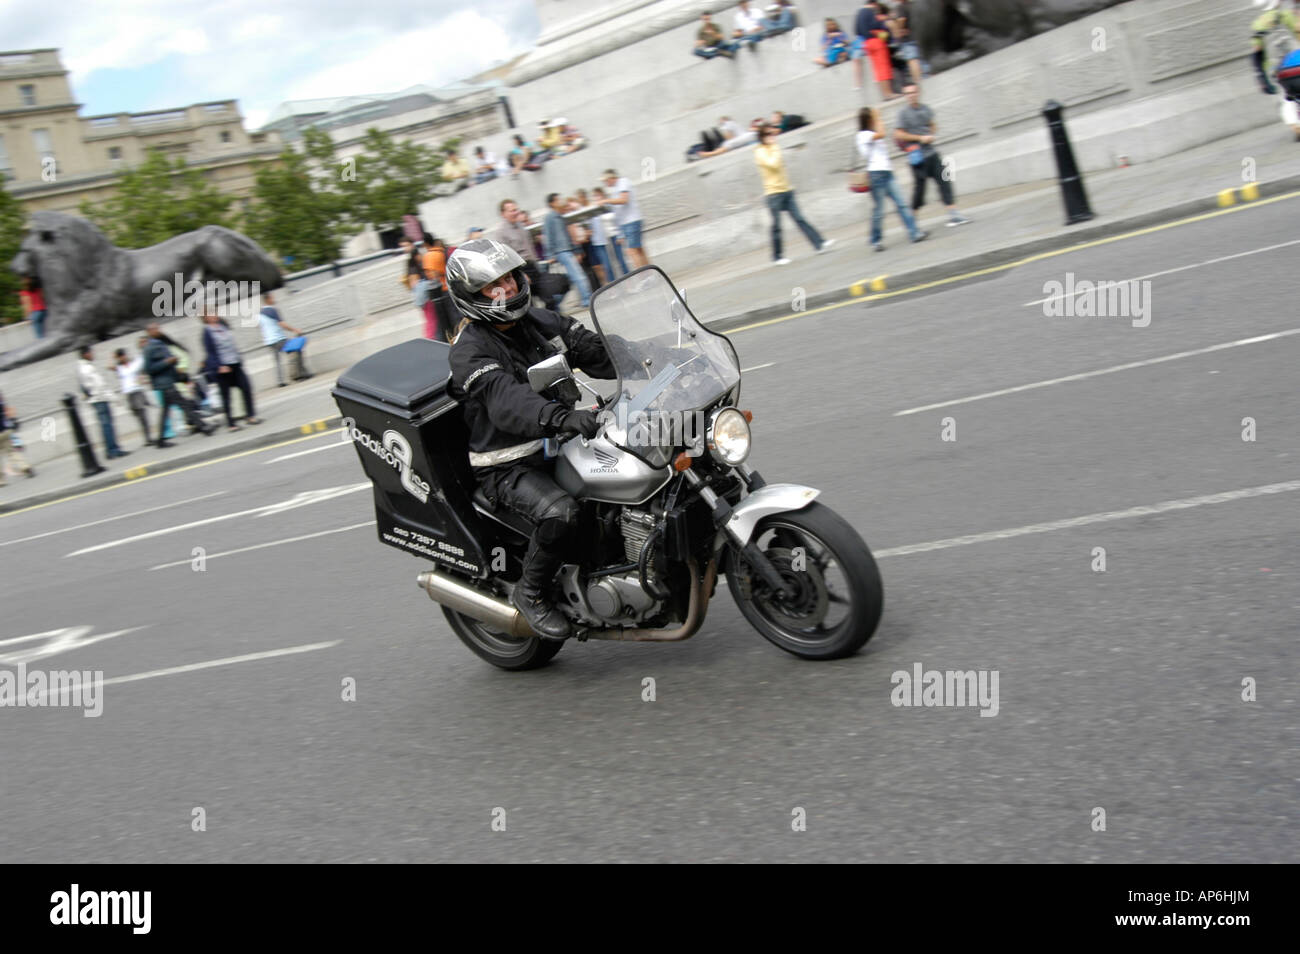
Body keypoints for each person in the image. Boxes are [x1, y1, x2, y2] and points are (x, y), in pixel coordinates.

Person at [445, 238, 617, 639]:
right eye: (493, 285)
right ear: (471, 296)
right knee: (562, 513)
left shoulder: (539, 322)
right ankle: (531, 592)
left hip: (559, 442)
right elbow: (508, 400)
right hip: (508, 464)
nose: (507, 288)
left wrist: (652, 355)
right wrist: (561, 417)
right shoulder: (469, 352)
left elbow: (591, 348)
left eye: (510, 277)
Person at [753, 124, 834, 265]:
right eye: (768, 134)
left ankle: (819, 244)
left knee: (800, 218)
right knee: (777, 226)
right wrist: (775, 147)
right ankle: (777, 257)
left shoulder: (772, 148)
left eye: (772, 133)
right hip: (773, 194)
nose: (772, 136)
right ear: (762, 137)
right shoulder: (760, 151)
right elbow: (773, 164)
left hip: (787, 190)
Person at [895, 84, 971, 227]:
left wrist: (931, 134)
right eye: (907, 94)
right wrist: (920, 138)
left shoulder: (925, 109)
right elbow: (898, 134)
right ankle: (912, 221)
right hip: (917, 157)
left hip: (932, 153)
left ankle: (953, 214)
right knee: (920, 191)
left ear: (918, 93)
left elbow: (933, 124)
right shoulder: (903, 113)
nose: (910, 96)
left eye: (912, 92)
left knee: (945, 181)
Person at [857, 106, 926, 251]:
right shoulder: (862, 135)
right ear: (868, 119)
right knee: (880, 210)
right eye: (872, 117)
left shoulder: (872, 133)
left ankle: (914, 233)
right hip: (876, 176)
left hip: (887, 173)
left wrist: (876, 118)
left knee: (902, 204)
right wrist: (878, 117)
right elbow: (882, 134)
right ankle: (875, 240)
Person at [143, 323, 214, 447]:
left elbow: (167, 363)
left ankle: (160, 440)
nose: (158, 330)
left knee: (166, 411)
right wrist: (167, 361)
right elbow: (149, 369)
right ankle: (204, 427)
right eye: (155, 329)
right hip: (164, 384)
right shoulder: (149, 347)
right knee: (184, 405)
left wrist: (175, 367)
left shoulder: (158, 343)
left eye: (158, 328)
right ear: (149, 332)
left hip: (169, 381)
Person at [200, 310, 261, 431]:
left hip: (235, 364)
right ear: (205, 318)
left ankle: (250, 416)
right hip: (222, 368)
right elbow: (210, 353)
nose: (214, 315)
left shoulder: (223, 326)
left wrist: (239, 358)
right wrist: (219, 366)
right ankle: (230, 423)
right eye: (211, 314)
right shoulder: (207, 332)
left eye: (215, 312)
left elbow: (232, 344)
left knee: (246, 387)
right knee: (226, 396)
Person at [77, 346, 128, 459]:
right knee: (107, 426)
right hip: (100, 399)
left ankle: (111, 450)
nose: (93, 354)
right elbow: (100, 386)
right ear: (86, 354)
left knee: (105, 425)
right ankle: (113, 450)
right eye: (91, 352)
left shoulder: (81, 368)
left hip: (95, 399)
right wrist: (113, 398)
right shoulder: (88, 369)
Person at [543, 192, 592, 309]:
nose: (560, 201)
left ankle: (555, 302)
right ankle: (587, 300)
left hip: (567, 250)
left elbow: (568, 235)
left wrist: (576, 250)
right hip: (561, 251)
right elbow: (548, 236)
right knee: (578, 275)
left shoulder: (561, 216)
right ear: (552, 203)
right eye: (557, 200)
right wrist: (550, 254)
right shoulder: (550, 217)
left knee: (571, 279)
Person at [258, 291, 310, 386]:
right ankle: (300, 374)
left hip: (269, 341)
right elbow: (282, 324)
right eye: (272, 298)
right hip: (279, 339)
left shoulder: (260, 313)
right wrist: (295, 330)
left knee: (277, 361)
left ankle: (280, 381)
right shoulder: (272, 310)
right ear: (268, 299)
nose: (274, 299)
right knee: (295, 351)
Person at [601, 168, 650, 268]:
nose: (605, 183)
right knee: (638, 249)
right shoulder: (616, 188)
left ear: (610, 178)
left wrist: (606, 200)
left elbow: (623, 200)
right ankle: (649, 273)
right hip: (628, 222)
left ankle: (644, 276)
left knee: (632, 251)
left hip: (631, 221)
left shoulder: (622, 182)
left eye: (605, 180)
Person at [853, 0, 897, 98]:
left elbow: (856, 31)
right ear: (874, 4)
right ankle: (889, 93)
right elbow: (874, 25)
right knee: (884, 68)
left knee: (878, 69)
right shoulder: (870, 11)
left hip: (867, 43)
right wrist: (882, 20)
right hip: (877, 42)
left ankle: (885, 94)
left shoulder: (859, 13)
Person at [114, 346, 152, 445]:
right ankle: (147, 437)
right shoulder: (119, 368)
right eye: (120, 356)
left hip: (137, 391)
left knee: (142, 415)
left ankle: (148, 438)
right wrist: (113, 358)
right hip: (129, 394)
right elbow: (108, 366)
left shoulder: (133, 364)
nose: (123, 357)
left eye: (123, 355)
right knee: (138, 416)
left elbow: (141, 359)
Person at [0, 389, 36, 484]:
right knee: (12, 451)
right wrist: (13, 420)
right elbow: (6, 409)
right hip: (5, 428)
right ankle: (25, 467)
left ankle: (1, 481)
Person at [888, 0, 924, 87]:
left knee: (912, 59)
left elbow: (901, 20)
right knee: (920, 57)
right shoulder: (913, 4)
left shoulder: (900, 7)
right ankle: (925, 76)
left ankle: (919, 81)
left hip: (907, 38)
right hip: (918, 34)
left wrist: (899, 29)